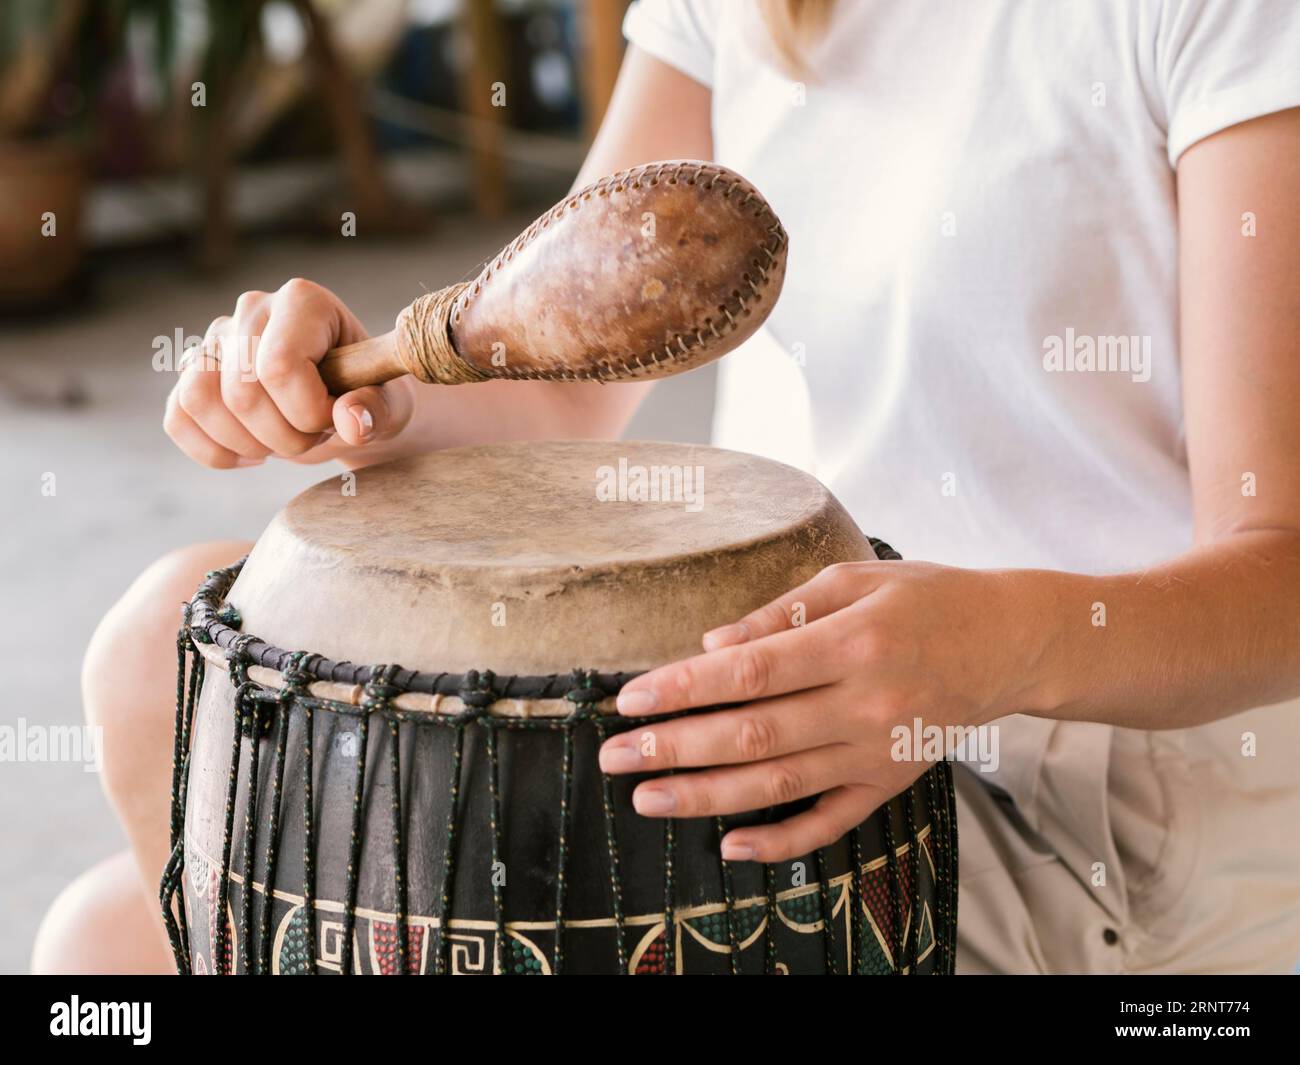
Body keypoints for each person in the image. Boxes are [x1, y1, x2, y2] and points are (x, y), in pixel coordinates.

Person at [35, 0, 1300, 974]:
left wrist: (1000, 645)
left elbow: (1282, 564)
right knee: (145, 713)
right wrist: (379, 393)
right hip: (761, 679)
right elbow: (565, 380)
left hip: (1093, 790)